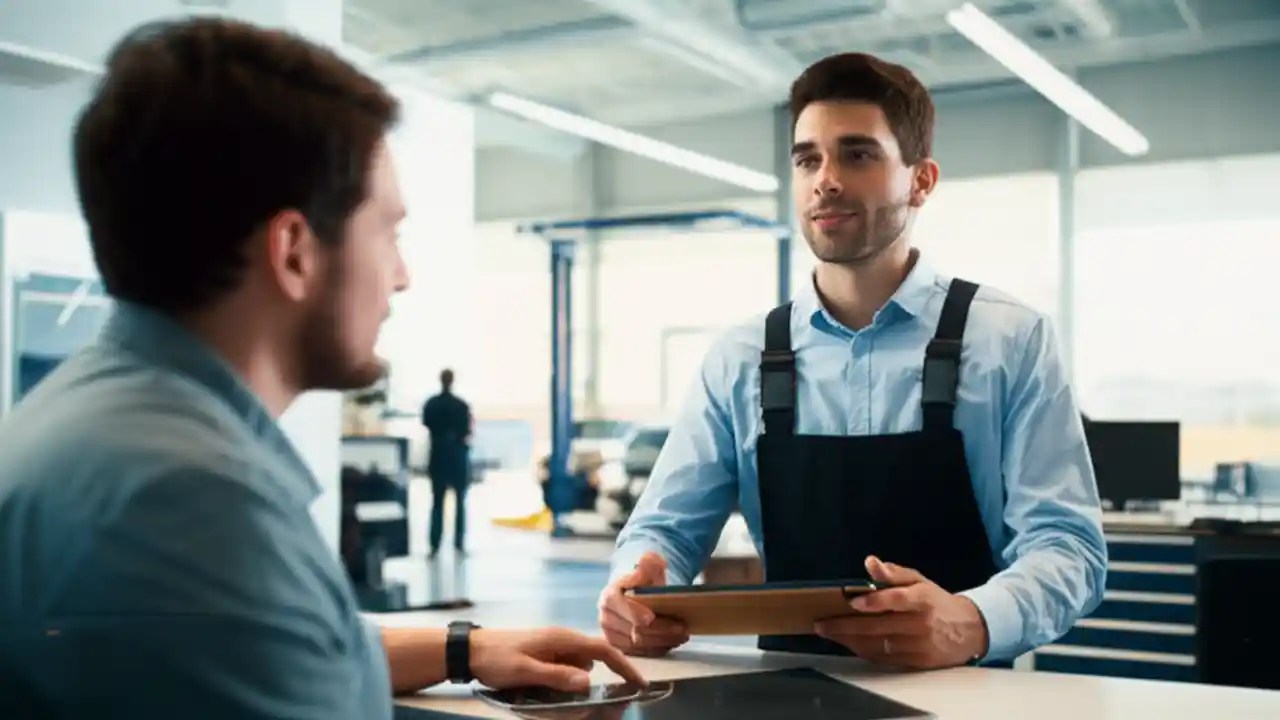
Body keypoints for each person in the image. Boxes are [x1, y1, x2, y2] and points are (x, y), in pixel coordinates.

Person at [0, 17, 642, 718]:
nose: (401, 277)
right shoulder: (192, 504)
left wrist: (462, 648)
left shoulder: (92, 427)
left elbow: (257, 642)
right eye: (387, 233)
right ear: (295, 251)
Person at [599, 52, 1108, 669]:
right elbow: (664, 532)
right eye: (807, 158)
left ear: (921, 180)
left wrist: (971, 621)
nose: (826, 179)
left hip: (969, 693)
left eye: (857, 154)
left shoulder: (1010, 340)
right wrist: (638, 582)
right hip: (781, 697)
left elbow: (1069, 548)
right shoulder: (741, 359)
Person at [422, 368, 472, 557]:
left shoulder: (432, 404)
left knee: (437, 503)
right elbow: (467, 431)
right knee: (460, 502)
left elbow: (426, 424)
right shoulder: (461, 405)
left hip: (438, 456)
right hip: (457, 457)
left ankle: (435, 544)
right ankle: (459, 543)